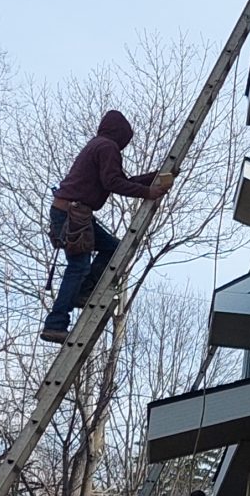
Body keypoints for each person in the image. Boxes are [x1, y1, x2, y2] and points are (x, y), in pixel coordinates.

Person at [41, 110, 173, 343]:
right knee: (78, 266)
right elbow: (112, 183)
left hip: (73, 212)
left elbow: (120, 181)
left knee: (112, 248)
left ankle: (83, 291)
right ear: (120, 134)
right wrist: (148, 192)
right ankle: (55, 324)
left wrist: (153, 178)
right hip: (73, 214)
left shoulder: (98, 145)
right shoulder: (107, 147)